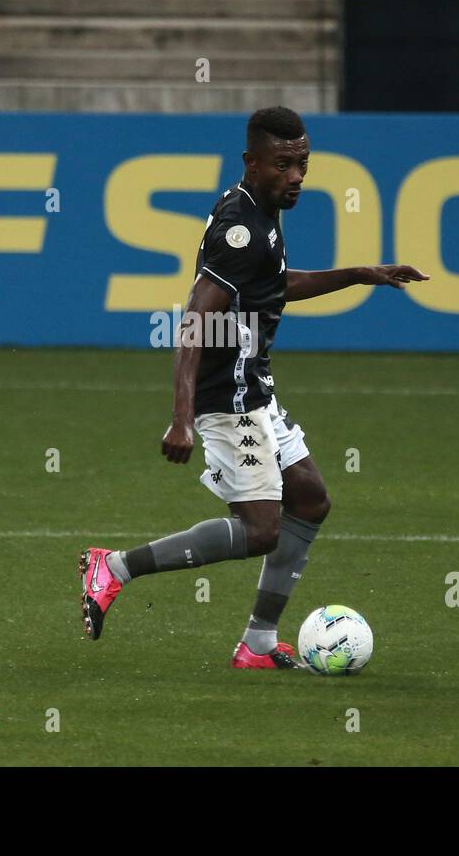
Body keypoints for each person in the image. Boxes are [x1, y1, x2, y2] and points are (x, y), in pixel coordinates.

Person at [79, 106, 426, 668]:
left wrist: (362, 274)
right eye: (283, 164)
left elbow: (276, 284)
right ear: (252, 162)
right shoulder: (240, 231)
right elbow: (194, 319)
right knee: (262, 528)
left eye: (303, 163)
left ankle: (259, 641)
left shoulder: (262, 215)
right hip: (229, 399)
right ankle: (114, 567)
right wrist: (182, 416)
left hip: (254, 389)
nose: (296, 176)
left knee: (310, 500)